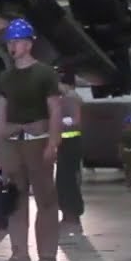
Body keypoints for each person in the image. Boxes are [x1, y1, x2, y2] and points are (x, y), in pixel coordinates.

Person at [0, 18, 62, 261]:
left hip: (38, 142)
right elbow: (1, 112)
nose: (13, 46)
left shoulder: (45, 74)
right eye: (10, 42)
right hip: (12, 144)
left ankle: (48, 256)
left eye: (18, 41)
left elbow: (55, 109)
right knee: (15, 200)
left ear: (29, 44)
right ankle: (20, 256)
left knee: (46, 200)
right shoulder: (5, 78)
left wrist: (53, 142)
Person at [54, 73, 85, 232]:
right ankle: (68, 216)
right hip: (67, 143)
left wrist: (56, 123)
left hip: (69, 143)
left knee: (67, 180)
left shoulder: (70, 97)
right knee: (65, 179)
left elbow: (75, 120)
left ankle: (71, 217)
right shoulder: (69, 97)